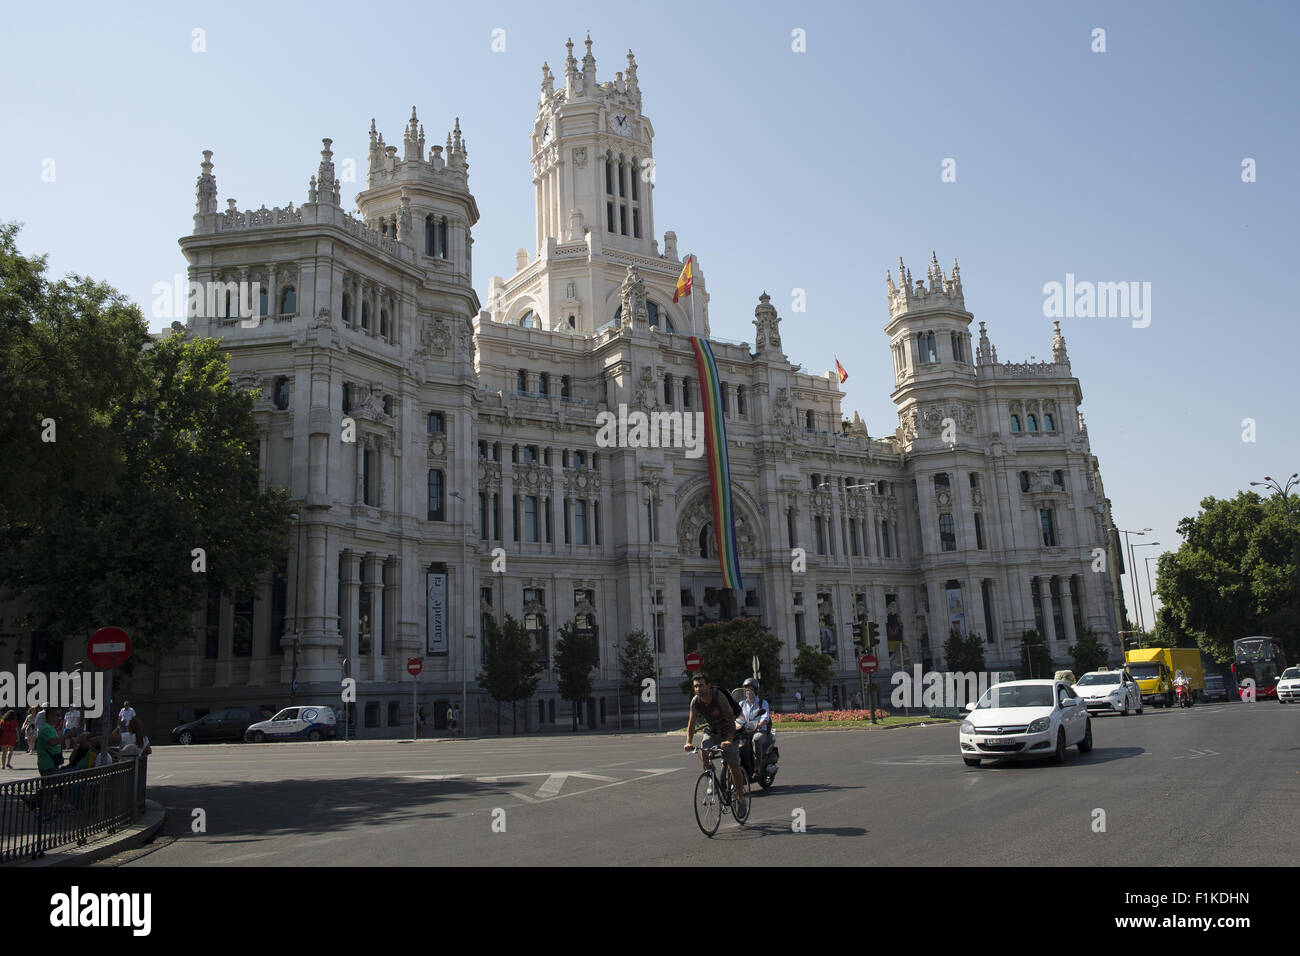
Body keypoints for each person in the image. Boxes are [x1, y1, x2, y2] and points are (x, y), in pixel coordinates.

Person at [683, 673, 747, 815]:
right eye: (695, 686)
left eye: (701, 685)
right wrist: (688, 742)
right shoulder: (695, 702)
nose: (698, 689)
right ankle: (711, 777)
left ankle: (741, 798)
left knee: (733, 765)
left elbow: (731, 720)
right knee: (704, 750)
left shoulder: (718, 697)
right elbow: (691, 723)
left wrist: (729, 740)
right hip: (713, 731)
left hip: (729, 731)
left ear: (709, 686)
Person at [739, 678, 773, 776]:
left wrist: (758, 725)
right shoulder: (741, 704)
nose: (748, 691)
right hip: (745, 731)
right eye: (746, 689)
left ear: (755, 690)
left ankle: (757, 767)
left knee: (756, 740)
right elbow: (737, 716)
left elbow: (765, 717)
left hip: (759, 731)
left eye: (750, 689)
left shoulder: (763, 703)